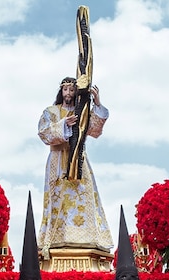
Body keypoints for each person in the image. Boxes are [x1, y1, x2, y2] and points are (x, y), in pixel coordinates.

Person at [37, 77, 112, 255]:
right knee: (58, 200)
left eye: (72, 90)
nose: (69, 94)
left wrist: (97, 103)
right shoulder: (51, 112)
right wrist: (63, 124)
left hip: (78, 160)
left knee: (83, 196)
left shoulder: (82, 112)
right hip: (58, 160)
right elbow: (43, 132)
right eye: (66, 90)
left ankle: (85, 237)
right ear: (61, 92)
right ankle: (56, 238)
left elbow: (95, 130)